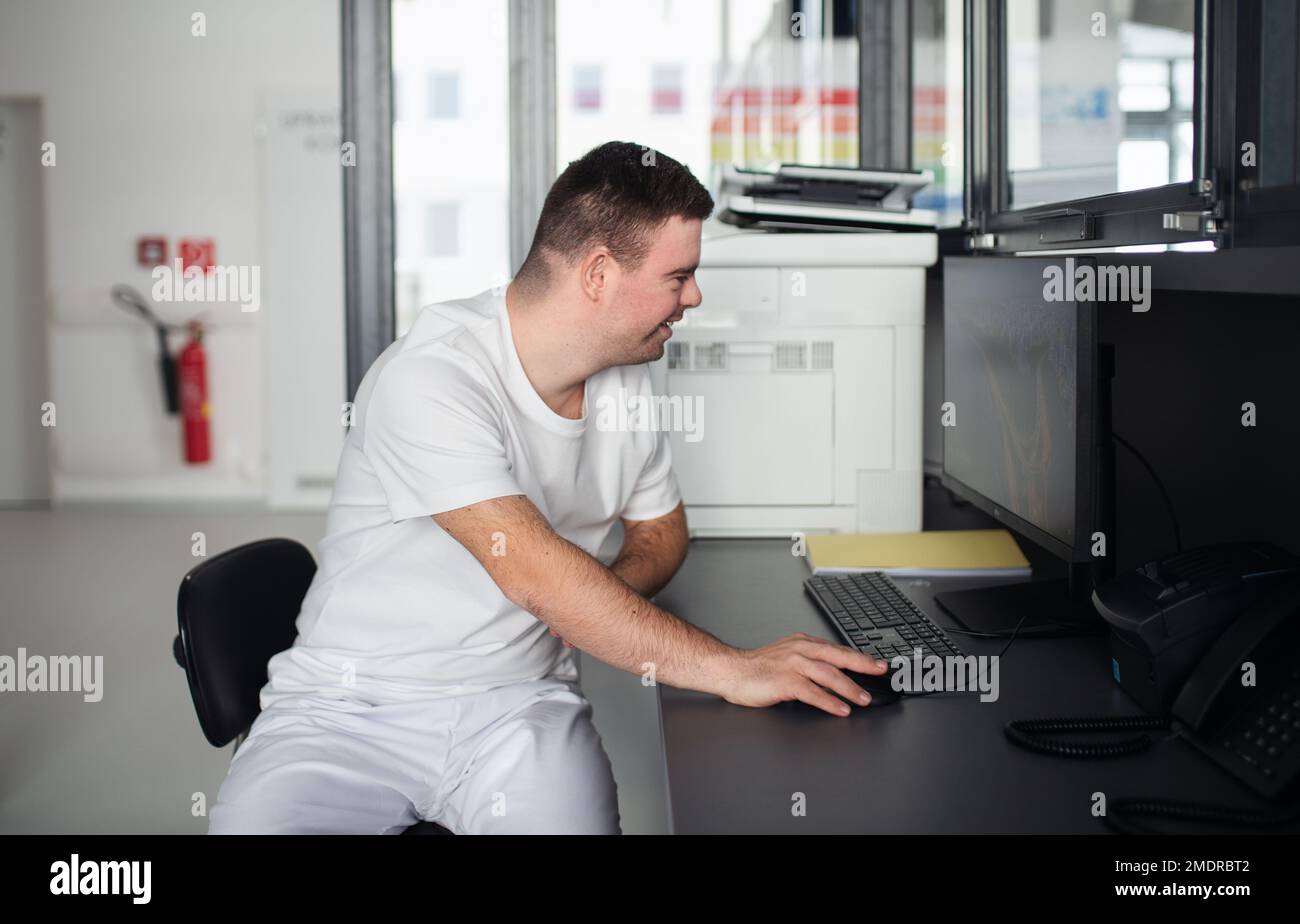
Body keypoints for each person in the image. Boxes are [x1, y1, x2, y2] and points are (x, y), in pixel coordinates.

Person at [208, 141, 888, 835]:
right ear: (598, 274)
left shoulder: (626, 378)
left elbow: (661, 530)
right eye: (679, 276)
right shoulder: (432, 376)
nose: (694, 296)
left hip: (520, 704)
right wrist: (731, 669)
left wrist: (588, 602)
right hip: (351, 711)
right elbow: (534, 575)